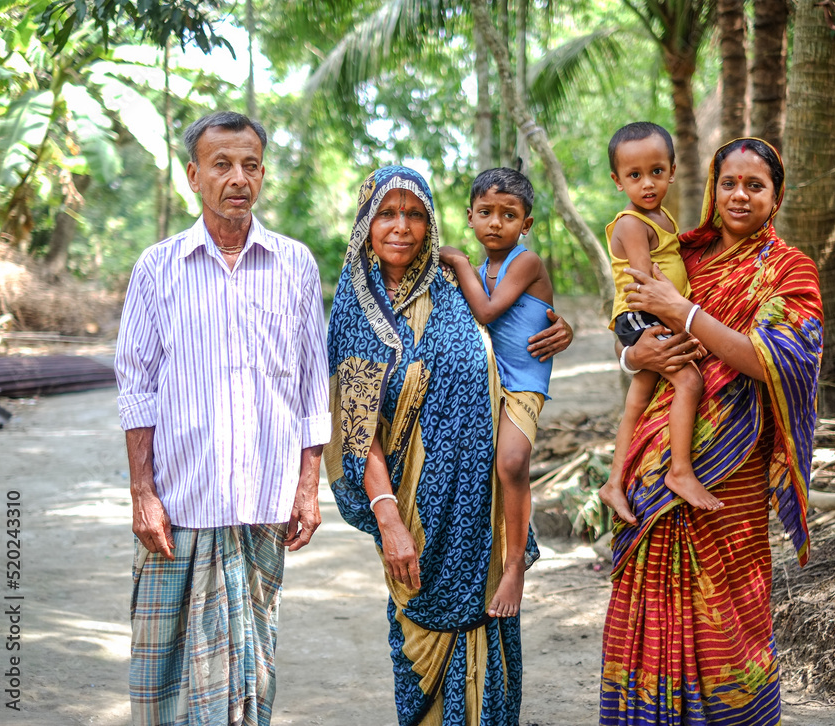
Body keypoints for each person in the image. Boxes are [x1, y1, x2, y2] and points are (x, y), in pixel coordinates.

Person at [325, 166, 572, 725]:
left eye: (414, 213)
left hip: (478, 506)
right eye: (386, 213)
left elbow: (518, 322)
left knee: (489, 626)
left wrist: (562, 328)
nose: (401, 227)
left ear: (431, 220)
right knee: (417, 625)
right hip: (409, 508)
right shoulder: (353, 309)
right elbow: (358, 429)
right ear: (366, 222)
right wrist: (388, 520)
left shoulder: (455, 285)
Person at [114, 111, 331, 726]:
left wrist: (308, 485)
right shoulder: (158, 268)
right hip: (180, 504)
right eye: (222, 165)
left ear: (262, 174)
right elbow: (137, 387)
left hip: (263, 500)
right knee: (164, 665)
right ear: (194, 176)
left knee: (249, 663)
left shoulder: (294, 264)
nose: (238, 178)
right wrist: (142, 492)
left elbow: (314, 385)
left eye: (251, 165)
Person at [599, 138, 823, 725]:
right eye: (729, 183)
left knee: (729, 606)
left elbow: (779, 360)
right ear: (712, 188)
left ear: (776, 197)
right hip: (654, 457)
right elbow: (633, 324)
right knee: (650, 600)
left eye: (755, 185)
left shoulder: (789, 270)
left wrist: (684, 312)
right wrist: (633, 355)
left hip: (734, 468)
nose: (740, 195)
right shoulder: (683, 251)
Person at [439, 167, 554, 618]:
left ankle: (515, 567)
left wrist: (461, 263)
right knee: (485, 469)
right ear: (469, 217)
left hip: (523, 380)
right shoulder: (481, 267)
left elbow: (485, 312)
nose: (495, 222)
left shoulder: (524, 262)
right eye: (485, 212)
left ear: (525, 224)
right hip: (488, 379)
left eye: (509, 215)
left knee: (512, 462)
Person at [597, 122, 720, 520]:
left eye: (656, 172)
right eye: (634, 176)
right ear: (618, 181)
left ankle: (614, 483)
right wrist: (688, 327)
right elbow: (647, 283)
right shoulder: (633, 223)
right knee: (689, 380)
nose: (647, 183)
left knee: (637, 398)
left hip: (649, 312)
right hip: (642, 313)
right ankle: (679, 471)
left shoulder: (662, 217)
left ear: (671, 169)